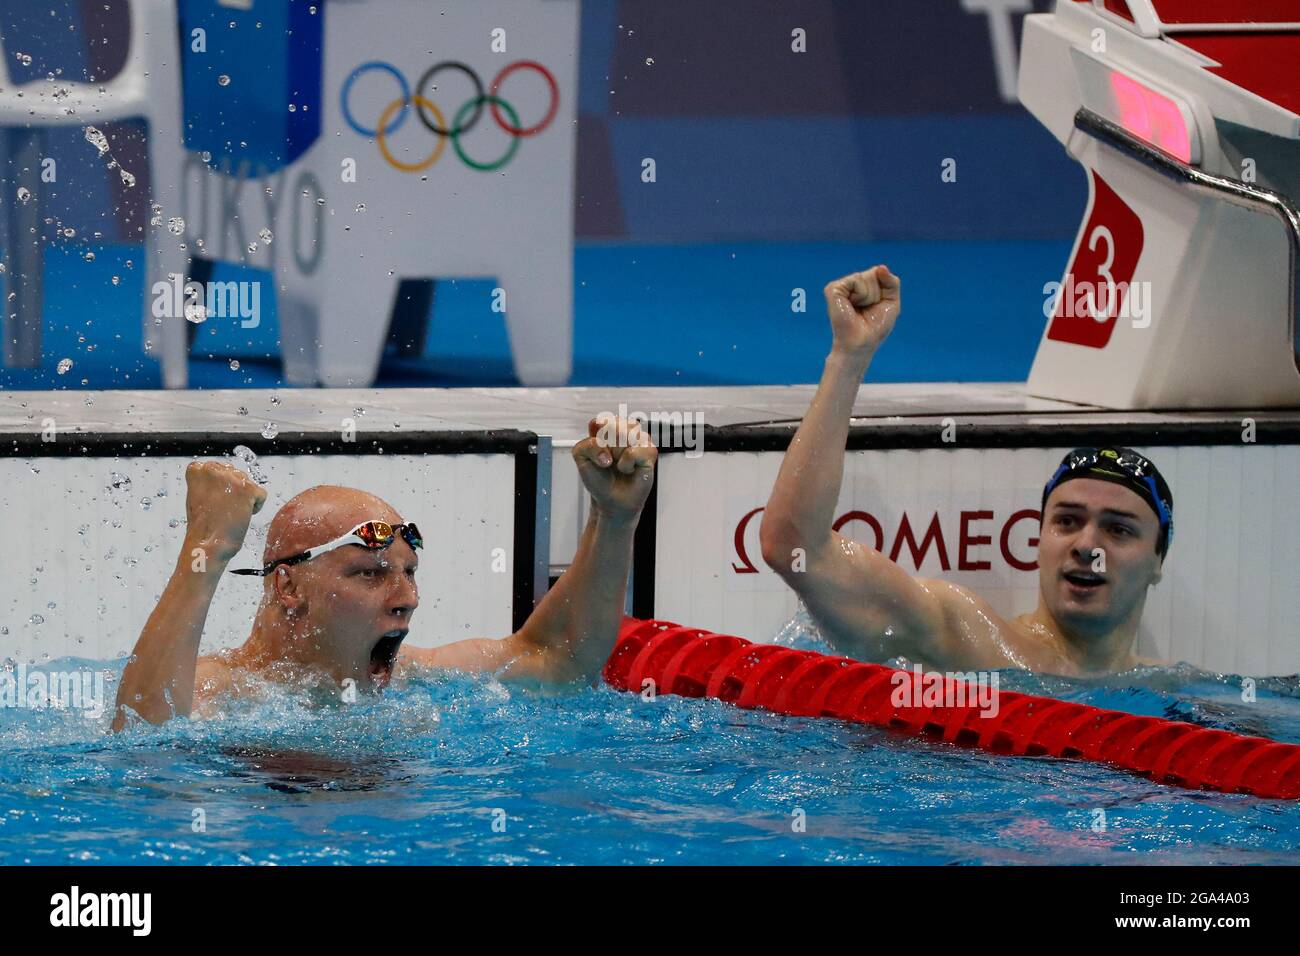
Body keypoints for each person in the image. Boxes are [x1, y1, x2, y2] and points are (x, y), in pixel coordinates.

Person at [111, 416, 656, 731]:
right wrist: (205, 548)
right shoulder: (224, 689)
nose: (407, 598)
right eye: (371, 574)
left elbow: (560, 663)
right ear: (287, 586)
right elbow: (142, 732)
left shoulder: (422, 679)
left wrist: (615, 518)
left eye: (410, 573)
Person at [759, 265, 1173, 676]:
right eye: (1067, 521)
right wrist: (849, 358)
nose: (1087, 546)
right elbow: (796, 549)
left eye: (1118, 529)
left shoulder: (1173, 689)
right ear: (1040, 537)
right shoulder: (971, 642)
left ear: (1158, 559)